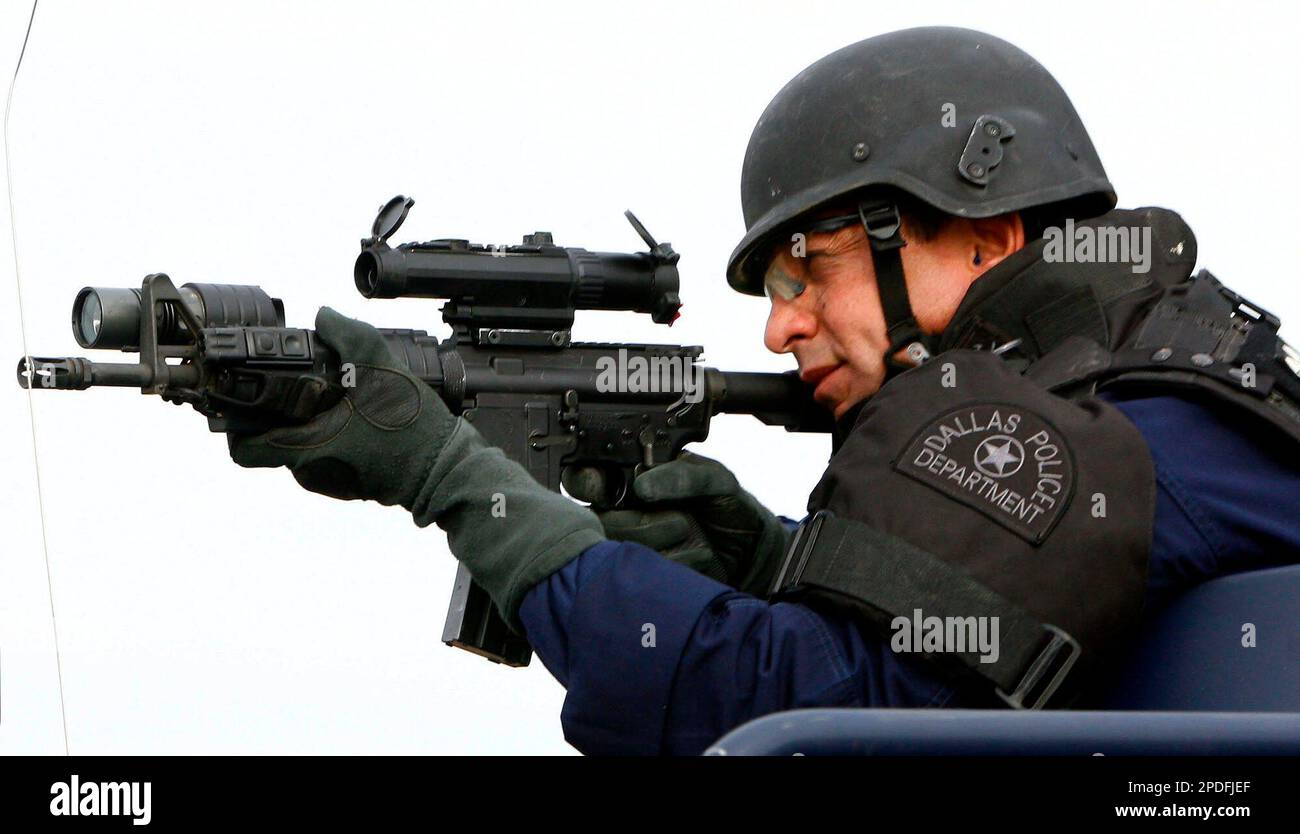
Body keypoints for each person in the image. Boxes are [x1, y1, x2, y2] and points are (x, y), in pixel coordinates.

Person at [228, 27, 1300, 755]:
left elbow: (791, 713)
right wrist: (772, 556)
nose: (780, 324)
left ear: (983, 233)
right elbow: (990, 650)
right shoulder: (1164, 403)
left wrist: (462, 486)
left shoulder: (1086, 440)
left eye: (807, 269)